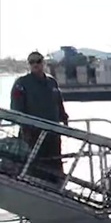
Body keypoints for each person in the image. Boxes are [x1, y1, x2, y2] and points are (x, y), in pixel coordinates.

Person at [9, 51, 70, 183]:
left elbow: (59, 103)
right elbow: (16, 108)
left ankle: (58, 187)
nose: (35, 64)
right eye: (32, 62)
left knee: (55, 162)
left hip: (53, 132)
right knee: (35, 165)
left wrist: (64, 119)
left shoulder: (51, 82)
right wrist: (24, 127)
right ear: (29, 65)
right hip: (32, 133)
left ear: (43, 63)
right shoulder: (22, 83)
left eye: (38, 61)